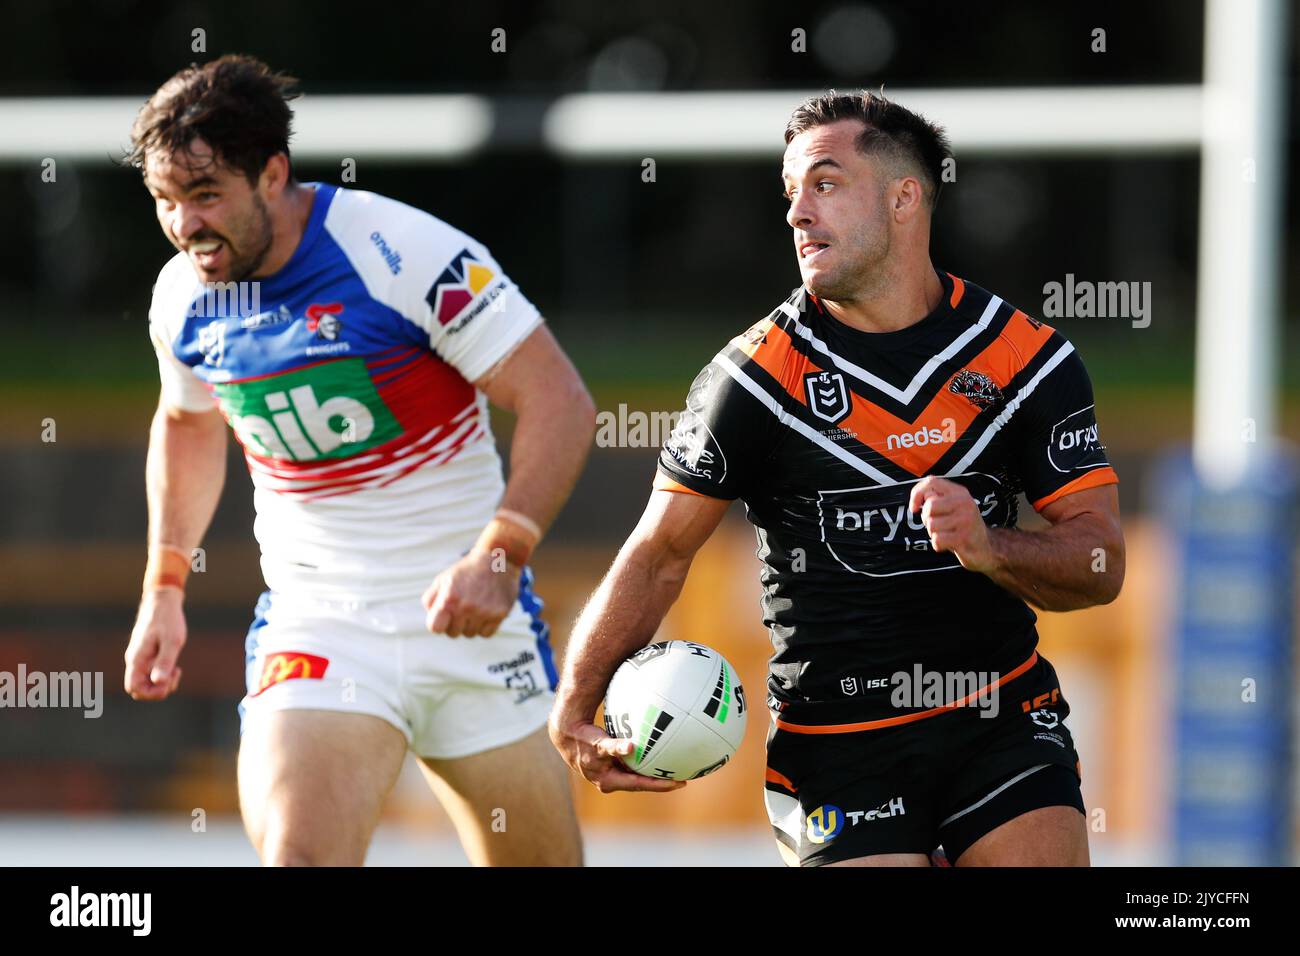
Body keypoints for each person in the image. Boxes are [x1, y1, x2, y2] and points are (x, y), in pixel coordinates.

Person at [549, 90, 1124, 867]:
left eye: (823, 184)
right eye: (790, 194)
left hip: (1001, 716)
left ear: (904, 197)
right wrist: (575, 707)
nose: (796, 214)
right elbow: (659, 554)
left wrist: (991, 546)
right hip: (834, 744)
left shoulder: (1028, 360)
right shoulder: (751, 380)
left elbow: (1100, 563)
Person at [122, 55, 594, 866]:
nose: (185, 226)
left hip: (473, 621)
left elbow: (561, 400)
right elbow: (189, 422)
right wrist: (163, 588)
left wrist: (501, 553)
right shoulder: (184, 296)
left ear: (273, 174)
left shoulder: (400, 252)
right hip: (323, 622)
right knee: (301, 858)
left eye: (205, 197)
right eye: (165, 201)